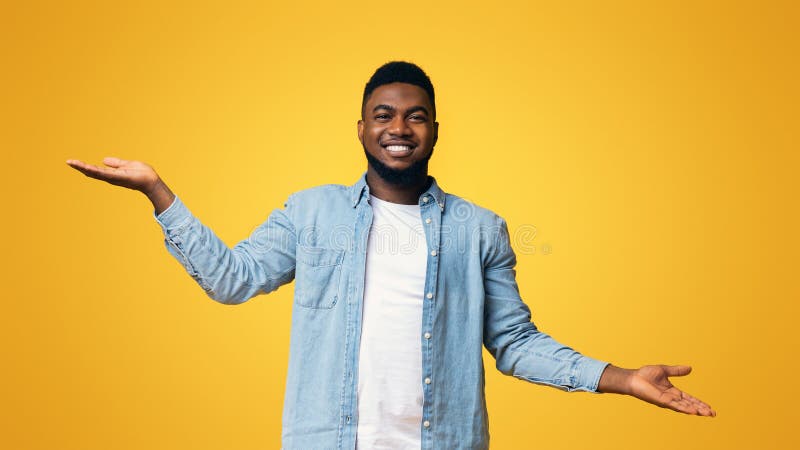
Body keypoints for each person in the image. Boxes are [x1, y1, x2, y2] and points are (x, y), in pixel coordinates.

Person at [66, 61, 715, 450]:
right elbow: (232, 281)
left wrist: (624, 377)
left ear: (434, 129)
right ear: (361, 128)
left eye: (415, 116)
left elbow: (514, 343)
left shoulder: (480, 229)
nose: (399, 128)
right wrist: (159, 192)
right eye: (383, 114)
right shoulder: (309, 211)